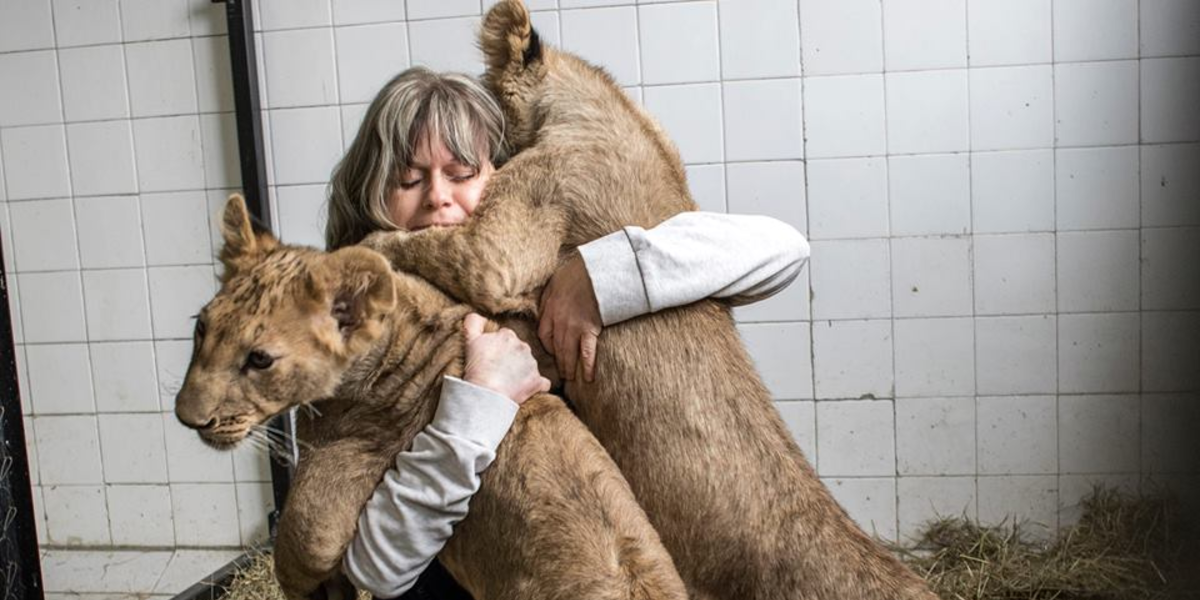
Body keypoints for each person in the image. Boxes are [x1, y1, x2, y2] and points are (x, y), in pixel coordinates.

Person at [324, 67, 810, 599]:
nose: (438, 198)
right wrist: (483, 400)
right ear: (370, 194)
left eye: (461, 172)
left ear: (503, 178)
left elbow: (782, 248)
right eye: (409, 180)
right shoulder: (363, 335)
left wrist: (599, 278)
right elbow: (380, 568)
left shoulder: (543, 265)